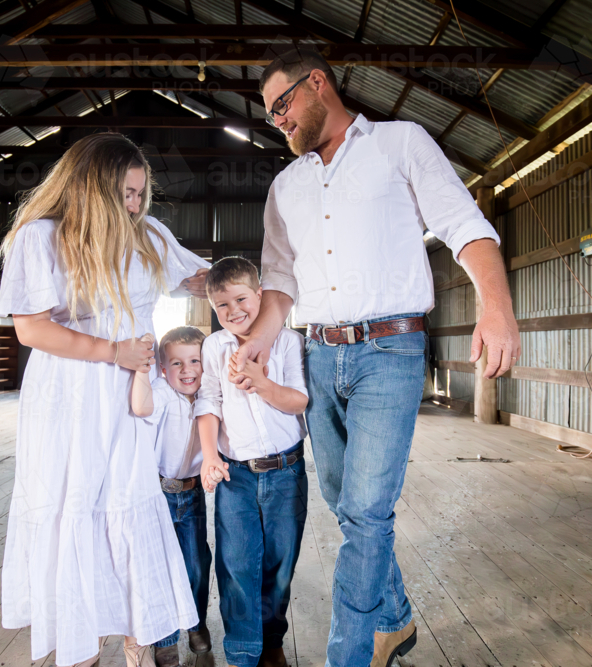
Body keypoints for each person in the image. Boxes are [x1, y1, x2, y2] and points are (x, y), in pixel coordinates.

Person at [231, 49, 521, 667]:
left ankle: (350, 654)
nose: (278, 121)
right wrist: (257, 338)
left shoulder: (399, 143)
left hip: (389, 350)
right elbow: (280, 283)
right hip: (316, 353)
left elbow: (463, 225)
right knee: (343, 501)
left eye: (282, 105)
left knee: (366, 509)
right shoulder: (285, 186)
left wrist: (496, 306)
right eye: (269, 115)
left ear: (318, 84)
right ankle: (392, 619)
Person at [0, 133, 210, 667]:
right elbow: (30, 330)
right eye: (126, 194)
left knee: (128, 498)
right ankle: (80, 644)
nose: (135, 205)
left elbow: (205, 279)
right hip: (69, 392)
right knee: (74, 498)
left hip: (129, 391)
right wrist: (110, 350)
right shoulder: (42, 237)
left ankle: (138, 639)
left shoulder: (150, 236)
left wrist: (263, 279)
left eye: (141, 194)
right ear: (91, 187)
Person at [195, 256, 309, 667]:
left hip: (286, 471)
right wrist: (210, 456)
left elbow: (299, 400)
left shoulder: (289, 342)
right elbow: (208, 402)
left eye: (241, 299)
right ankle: (243, 651)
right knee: (237, 562)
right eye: (222, 305)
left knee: (280, 562)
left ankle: (273, 640)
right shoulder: (214, 347)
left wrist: (261, 384)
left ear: (260, 295)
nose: (234, 312)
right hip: (236, 475)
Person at [129, 326, 214, 667]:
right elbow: (143, 408)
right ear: (163, 369)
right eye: (176, 363)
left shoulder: (209, 392)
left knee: (196, 563)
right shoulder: (163, 392)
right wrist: (142, 368)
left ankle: (195, 623)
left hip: (192, 494)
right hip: (159, 493)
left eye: (194, 360)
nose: (187, 369)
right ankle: (165, 639)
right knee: (161, 566)